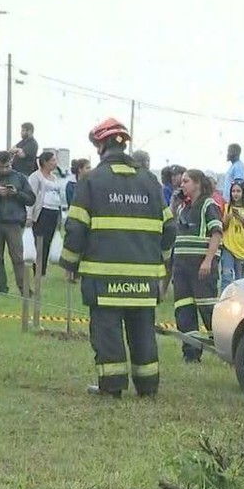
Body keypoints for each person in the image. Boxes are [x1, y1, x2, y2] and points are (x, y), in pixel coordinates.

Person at [60, 118, 175, 399]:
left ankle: (111, 387)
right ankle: (148, 387)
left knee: (107, 333)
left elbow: (75, 227)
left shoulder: (91, 181)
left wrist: (70, 264)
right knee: (143, 332)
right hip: (144, 278)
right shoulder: (150, 181)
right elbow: (169, 227)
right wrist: (160, 262)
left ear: (101, 146)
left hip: (104, 278)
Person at [173, 169, 223, 362]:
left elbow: (217, 233)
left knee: (208, 309)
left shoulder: (208, 205)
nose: (181, 185)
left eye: (186, 181)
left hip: (201, 267)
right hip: (181, 268)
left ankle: (225, 350)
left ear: (197, 184)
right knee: (184, 310)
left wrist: (208, 261)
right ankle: (191, 354)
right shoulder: (182, 208)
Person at [0, 151, 35, 294]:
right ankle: (1, 288)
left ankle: (24, 288)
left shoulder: (20, 178)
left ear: (11, 163)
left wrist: (16, 194)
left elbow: (31, 199)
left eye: (7, 166)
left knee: (18, 257)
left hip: (13, 223)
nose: (4, 169)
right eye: (2, 166)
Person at [26, 151, 64, 276]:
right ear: (45, 162)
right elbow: (32, 197)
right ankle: (36, 268)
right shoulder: (36, 177)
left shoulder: (55, 178)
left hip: (53, 212)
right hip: (41, 212)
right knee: (39, 241)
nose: (55, 163)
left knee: (48, 241)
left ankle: (43, 269)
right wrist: (29, 215)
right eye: (52, 160)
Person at [219, 180, 244, 293]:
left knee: (242, 280)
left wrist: (241, 219)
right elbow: (223, 227)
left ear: (243, 193)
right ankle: (225, 299)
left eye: (238, 191)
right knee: (226, 276)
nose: (235, 194)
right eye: (233, 191)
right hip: (228, 246)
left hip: (243, 247)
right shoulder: (226, 207)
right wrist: (228, 217)